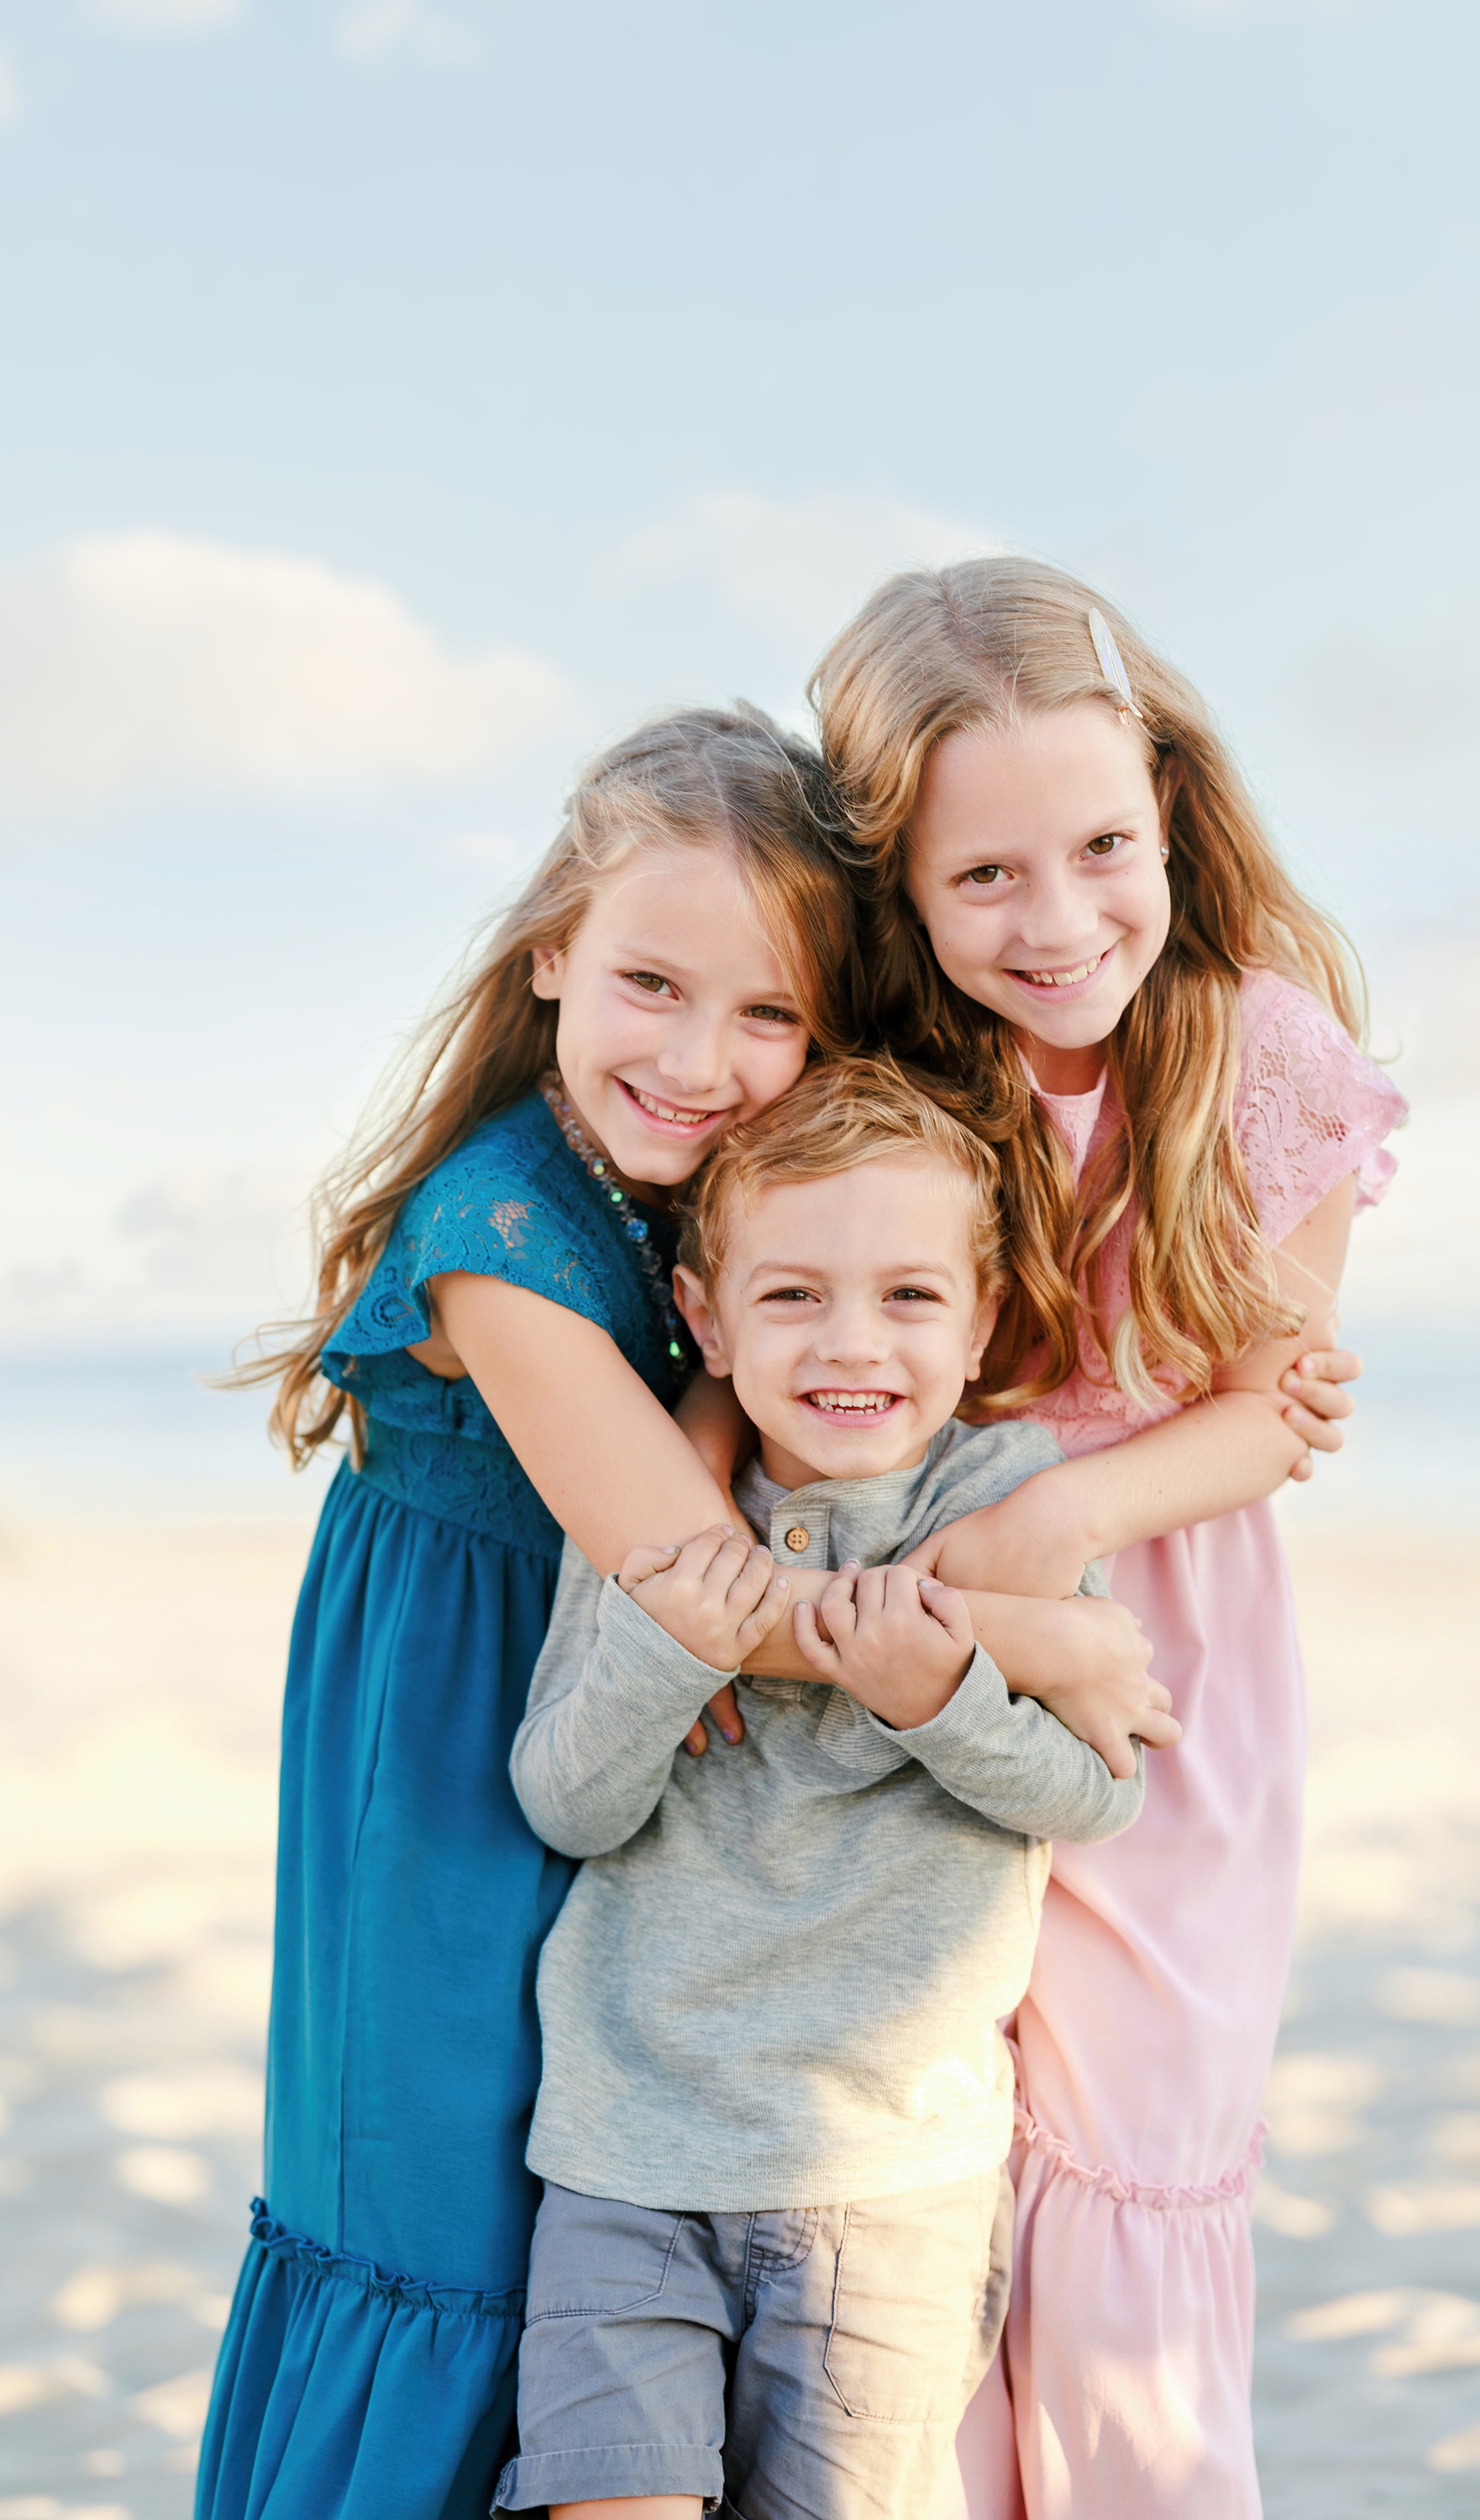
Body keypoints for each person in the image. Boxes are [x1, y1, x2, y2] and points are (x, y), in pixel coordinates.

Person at [196, 706, 1173, 2520]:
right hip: (455, 1715)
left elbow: (740, 1432)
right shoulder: (496, 1228)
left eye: (768, 1015)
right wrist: (1040, 1638)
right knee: (431, 2201)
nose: (703, 1059)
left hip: (639, 1702)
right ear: (550, 947)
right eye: (649, 982)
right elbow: (687, 1570)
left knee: (559, 2226)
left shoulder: (713, 1202)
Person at [810, 559, 1408, 2519]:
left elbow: (1264, 1405)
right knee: (928, 2166)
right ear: (897, 882)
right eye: (985, 878)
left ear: (1171, 809)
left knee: (1128, 2150)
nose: (1060, 922)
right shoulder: (874, 1071)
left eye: (1101, 848)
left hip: (1162, 1657)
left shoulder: (1260, 1049)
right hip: (912, 1638)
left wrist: (1063, 1509)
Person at [496, 1061, 1143, 2520]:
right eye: (793, 1297)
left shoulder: (1001, 1510)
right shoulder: (654, 1511)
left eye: (910, 1298)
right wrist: (668, 1652)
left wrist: (942, 1697)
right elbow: (566, 1803)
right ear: (708, 1320)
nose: (854, 1343)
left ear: (980, 1323)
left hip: (888, 2177)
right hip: (628, 2153)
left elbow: (1093, 1796)